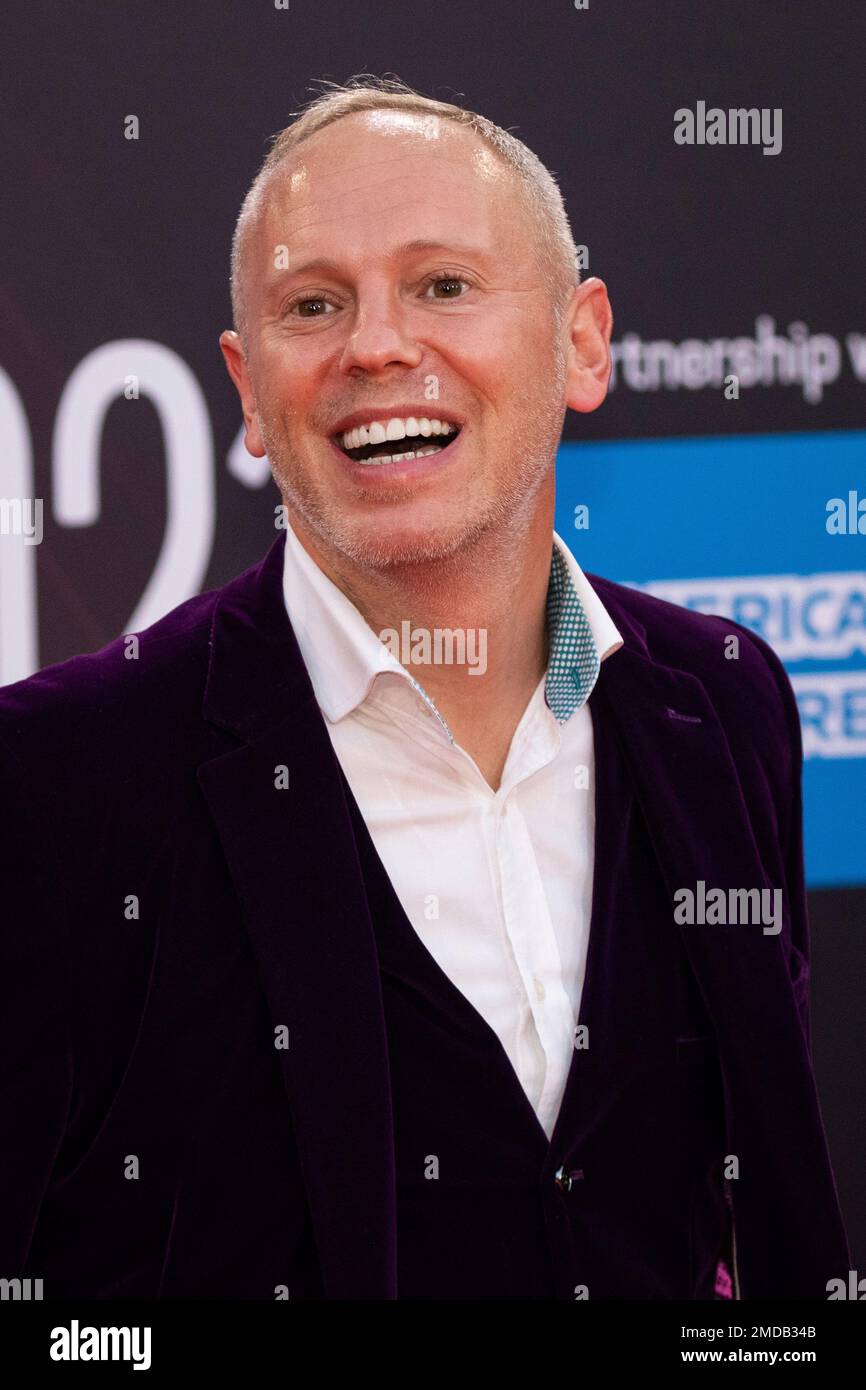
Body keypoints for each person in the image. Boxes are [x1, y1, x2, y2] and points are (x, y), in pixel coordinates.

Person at [0, 75, 849, 1300]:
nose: (378, 344)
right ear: (245, 390)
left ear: (581, 341)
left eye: (443, 285)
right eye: (313, 304)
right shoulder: (58, 778)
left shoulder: (725, 704)